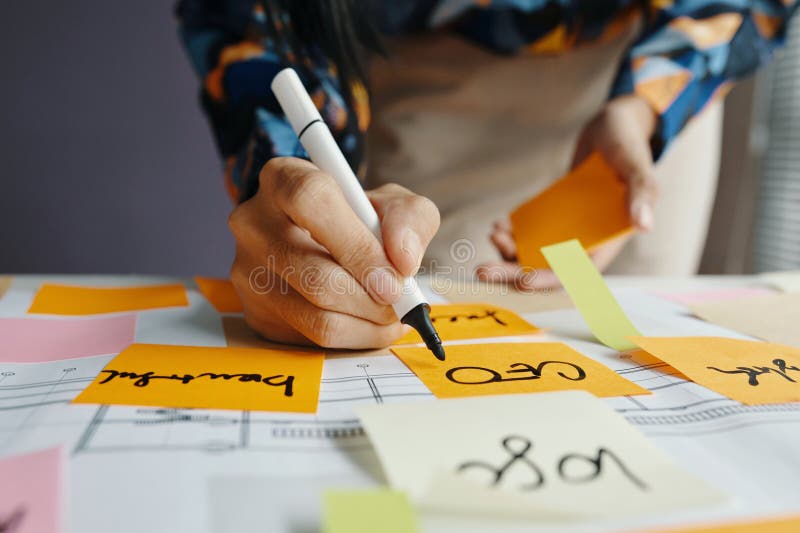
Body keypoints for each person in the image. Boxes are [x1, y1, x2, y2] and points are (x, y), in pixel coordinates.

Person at [177, 0, 796, 349]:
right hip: (409, 75)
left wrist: (642, 108)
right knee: (372, 291)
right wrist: (294, 193)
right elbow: (247, 25)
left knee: (633, 346)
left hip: (641, 76)